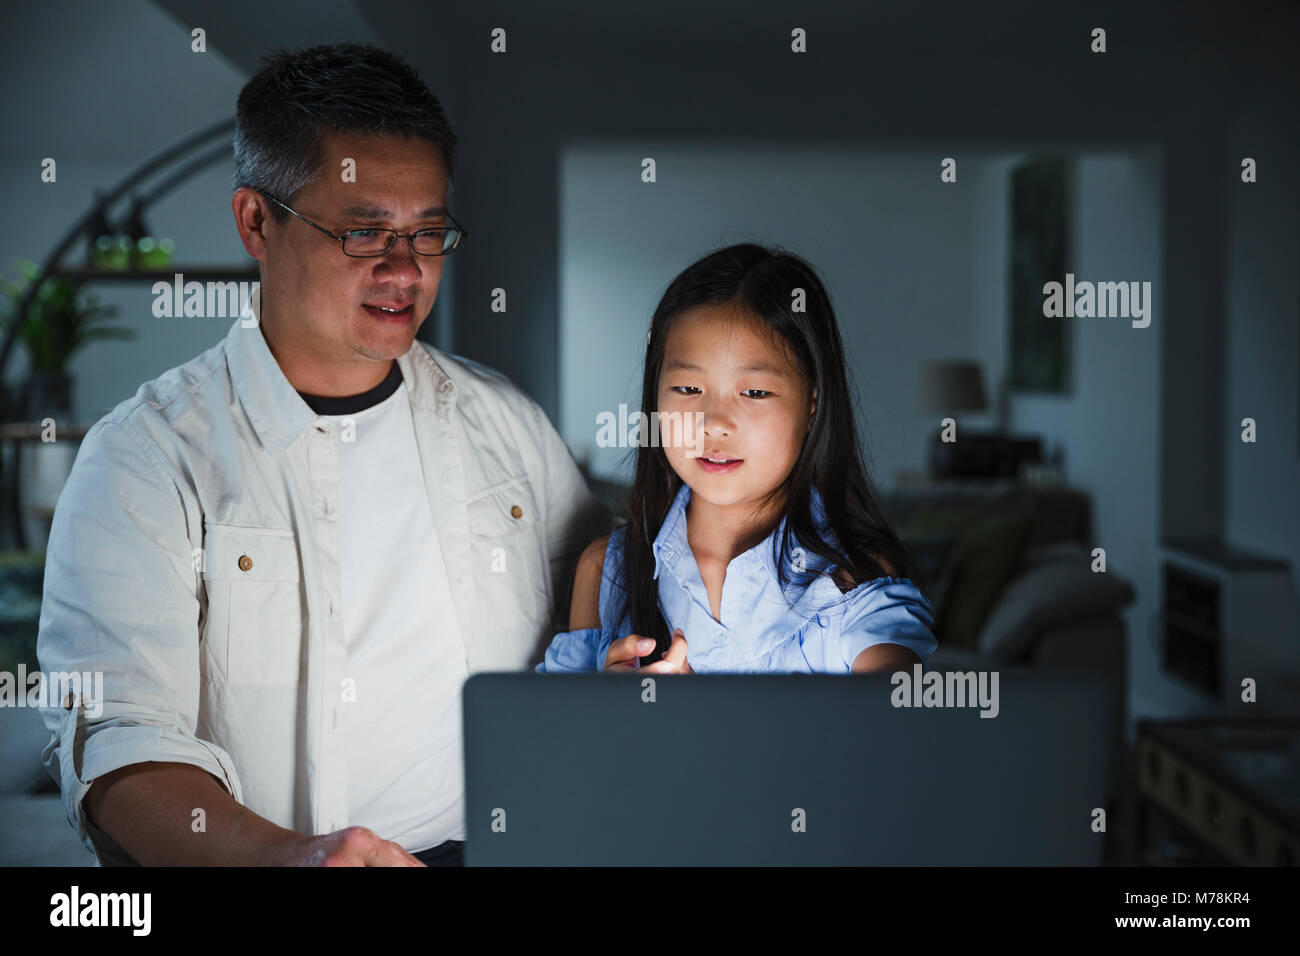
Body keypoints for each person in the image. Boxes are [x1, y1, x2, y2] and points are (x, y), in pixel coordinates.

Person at [36, 43, 607, 867]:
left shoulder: (508, 423)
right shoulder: (145, 459)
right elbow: (120, 746)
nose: (405, 269)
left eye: (428, 232)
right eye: (364, 230)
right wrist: (289, 858)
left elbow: (601, 614)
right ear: (255, 222)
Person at [538, 243, 937, 675]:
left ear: (812, 406)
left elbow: (899, 738)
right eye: (689, 390)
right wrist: (606, 720)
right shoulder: (604, 571)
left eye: (755, 392)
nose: (714, 424)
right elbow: (557, 741)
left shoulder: (858, 579)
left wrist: (696, 723)